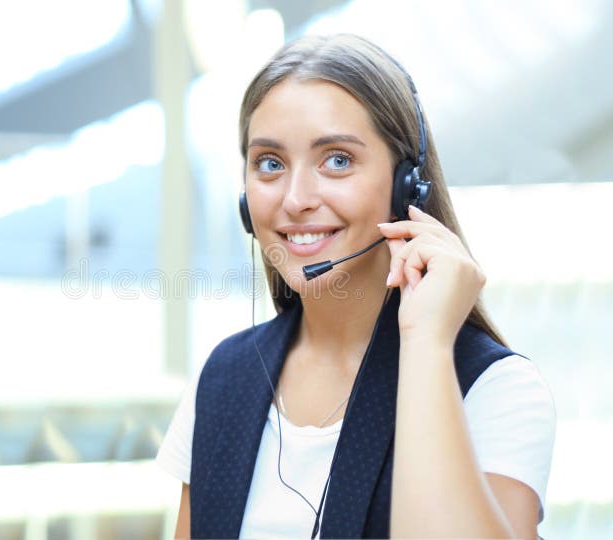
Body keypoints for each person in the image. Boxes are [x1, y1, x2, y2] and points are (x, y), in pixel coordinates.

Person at [156, 33, 556, 539]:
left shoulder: (493, 388)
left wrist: (426, 344)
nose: (296, 199)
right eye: (270, 164)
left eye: (337, 160)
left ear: (406, 185)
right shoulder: (223, 380)